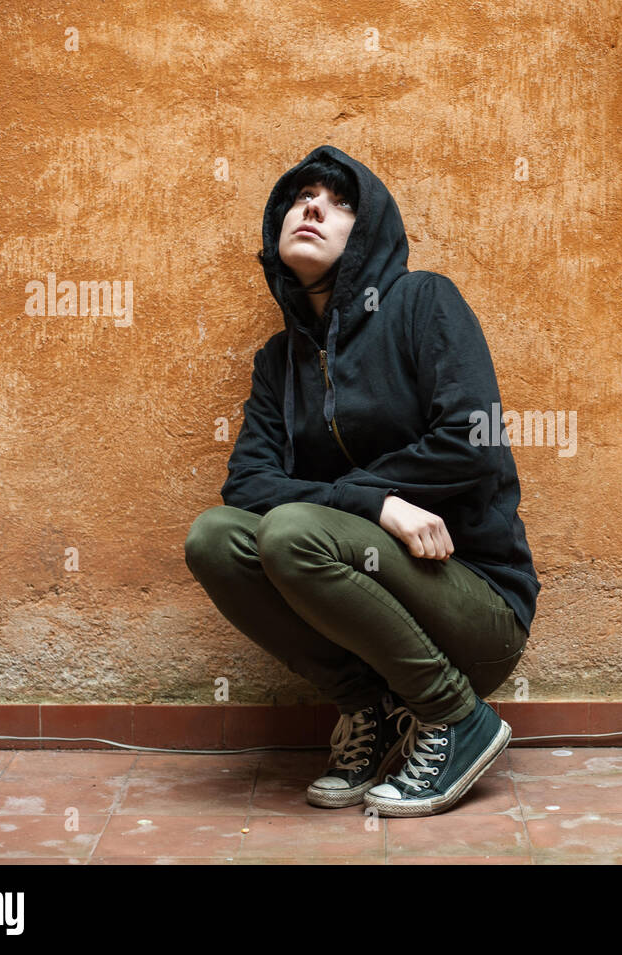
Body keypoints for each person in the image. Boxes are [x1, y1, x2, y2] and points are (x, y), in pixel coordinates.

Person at [183, 144, 541, 818]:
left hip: (474, 606)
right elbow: (247, 486)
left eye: (340, 202)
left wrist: (353, 506)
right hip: (367, 594)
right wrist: (376, 504)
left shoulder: (423, 302)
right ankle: (369, 709)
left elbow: (473, 438)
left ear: (369, 231)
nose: (312, 206)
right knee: (214, 538)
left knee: (291, 531)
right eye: (300, 198)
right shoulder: (279, 364)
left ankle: (457, 717)